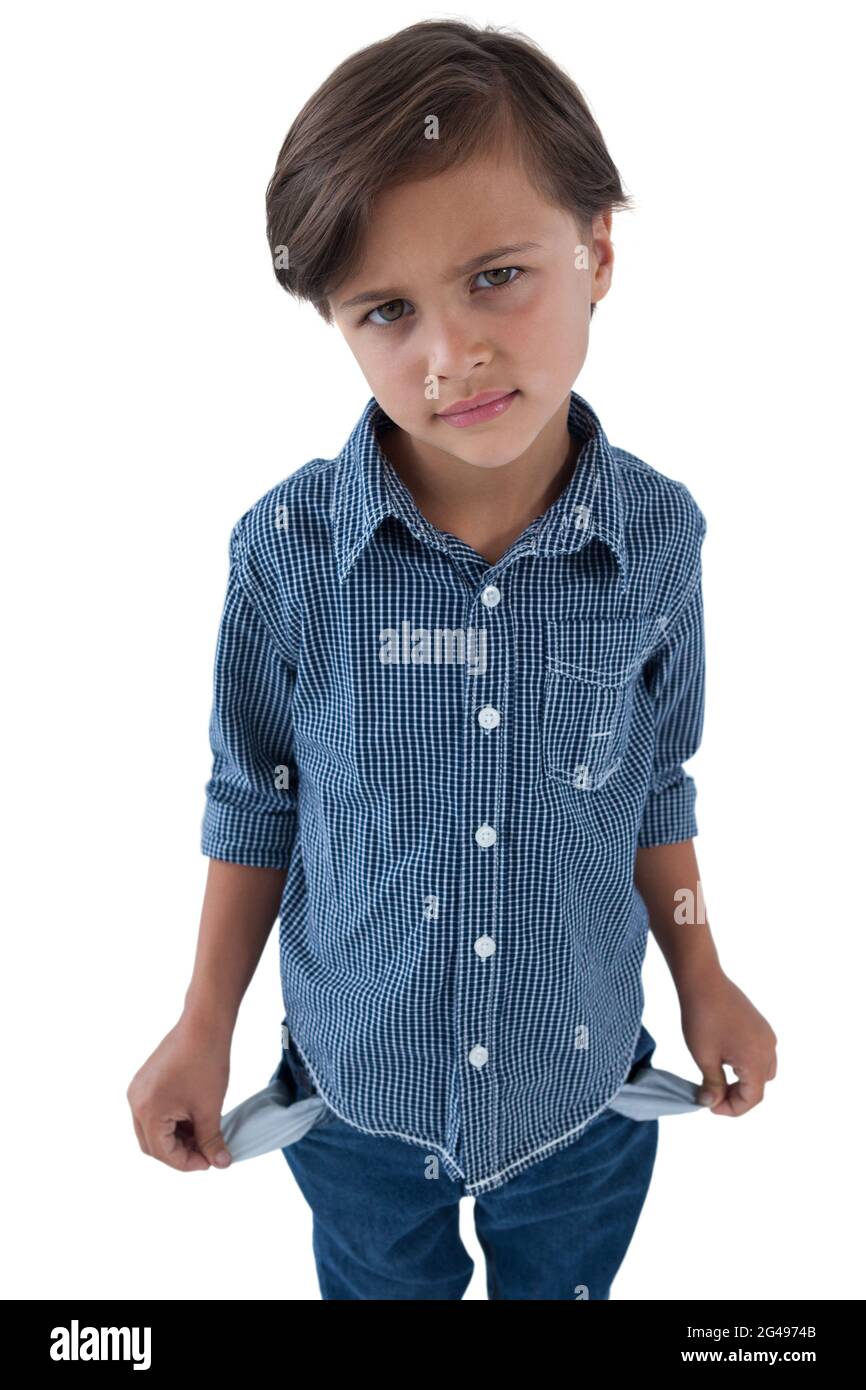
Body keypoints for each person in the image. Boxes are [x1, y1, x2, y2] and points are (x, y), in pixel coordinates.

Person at [127, 18, 777, 1300]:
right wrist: (204, 1021)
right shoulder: (285, 553)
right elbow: (252, 799)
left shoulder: (657, 538)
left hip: (580, 1098)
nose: (450, 356)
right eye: (386, 310)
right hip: (359, 1105)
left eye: (494, 276)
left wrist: (702, 970)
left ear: (594, 250)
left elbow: (655, 782)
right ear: (336, 322)